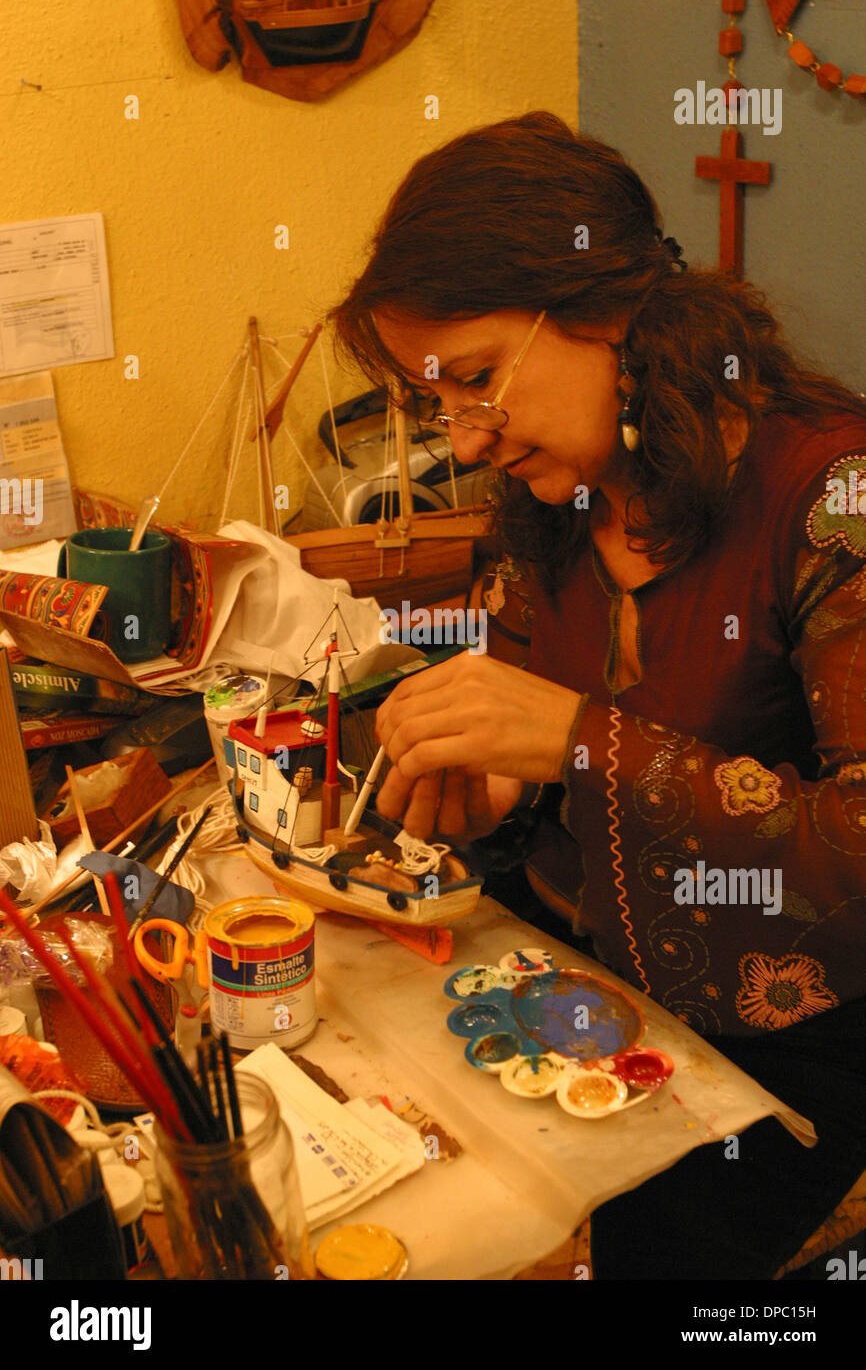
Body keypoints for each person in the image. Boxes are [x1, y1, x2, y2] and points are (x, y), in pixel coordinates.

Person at [328, 111, 866, 1280]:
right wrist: (489, 799)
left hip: (779, 1041)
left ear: (604, 310)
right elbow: (540, 776)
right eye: (437, 404)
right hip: (572, 991)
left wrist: (580, 739)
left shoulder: (829, 496)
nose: (464, 440)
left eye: (475, 380)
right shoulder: (558, 502)